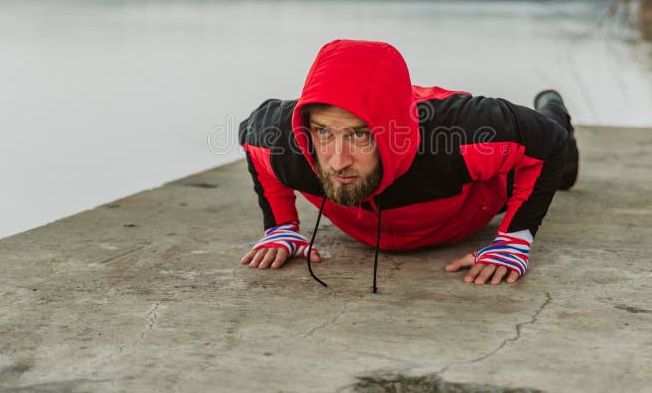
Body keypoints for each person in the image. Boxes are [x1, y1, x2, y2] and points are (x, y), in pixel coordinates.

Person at [238, 39, 579, 292]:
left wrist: (514, 239)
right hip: (375, 223)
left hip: (473, 206)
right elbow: (252, 144)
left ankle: (553, 104)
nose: (338, 161)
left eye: (360, 135)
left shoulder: (457, 134)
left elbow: (548, 143)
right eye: (324, 132)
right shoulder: (284, 141)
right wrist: (281, 225)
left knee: (557, 151)